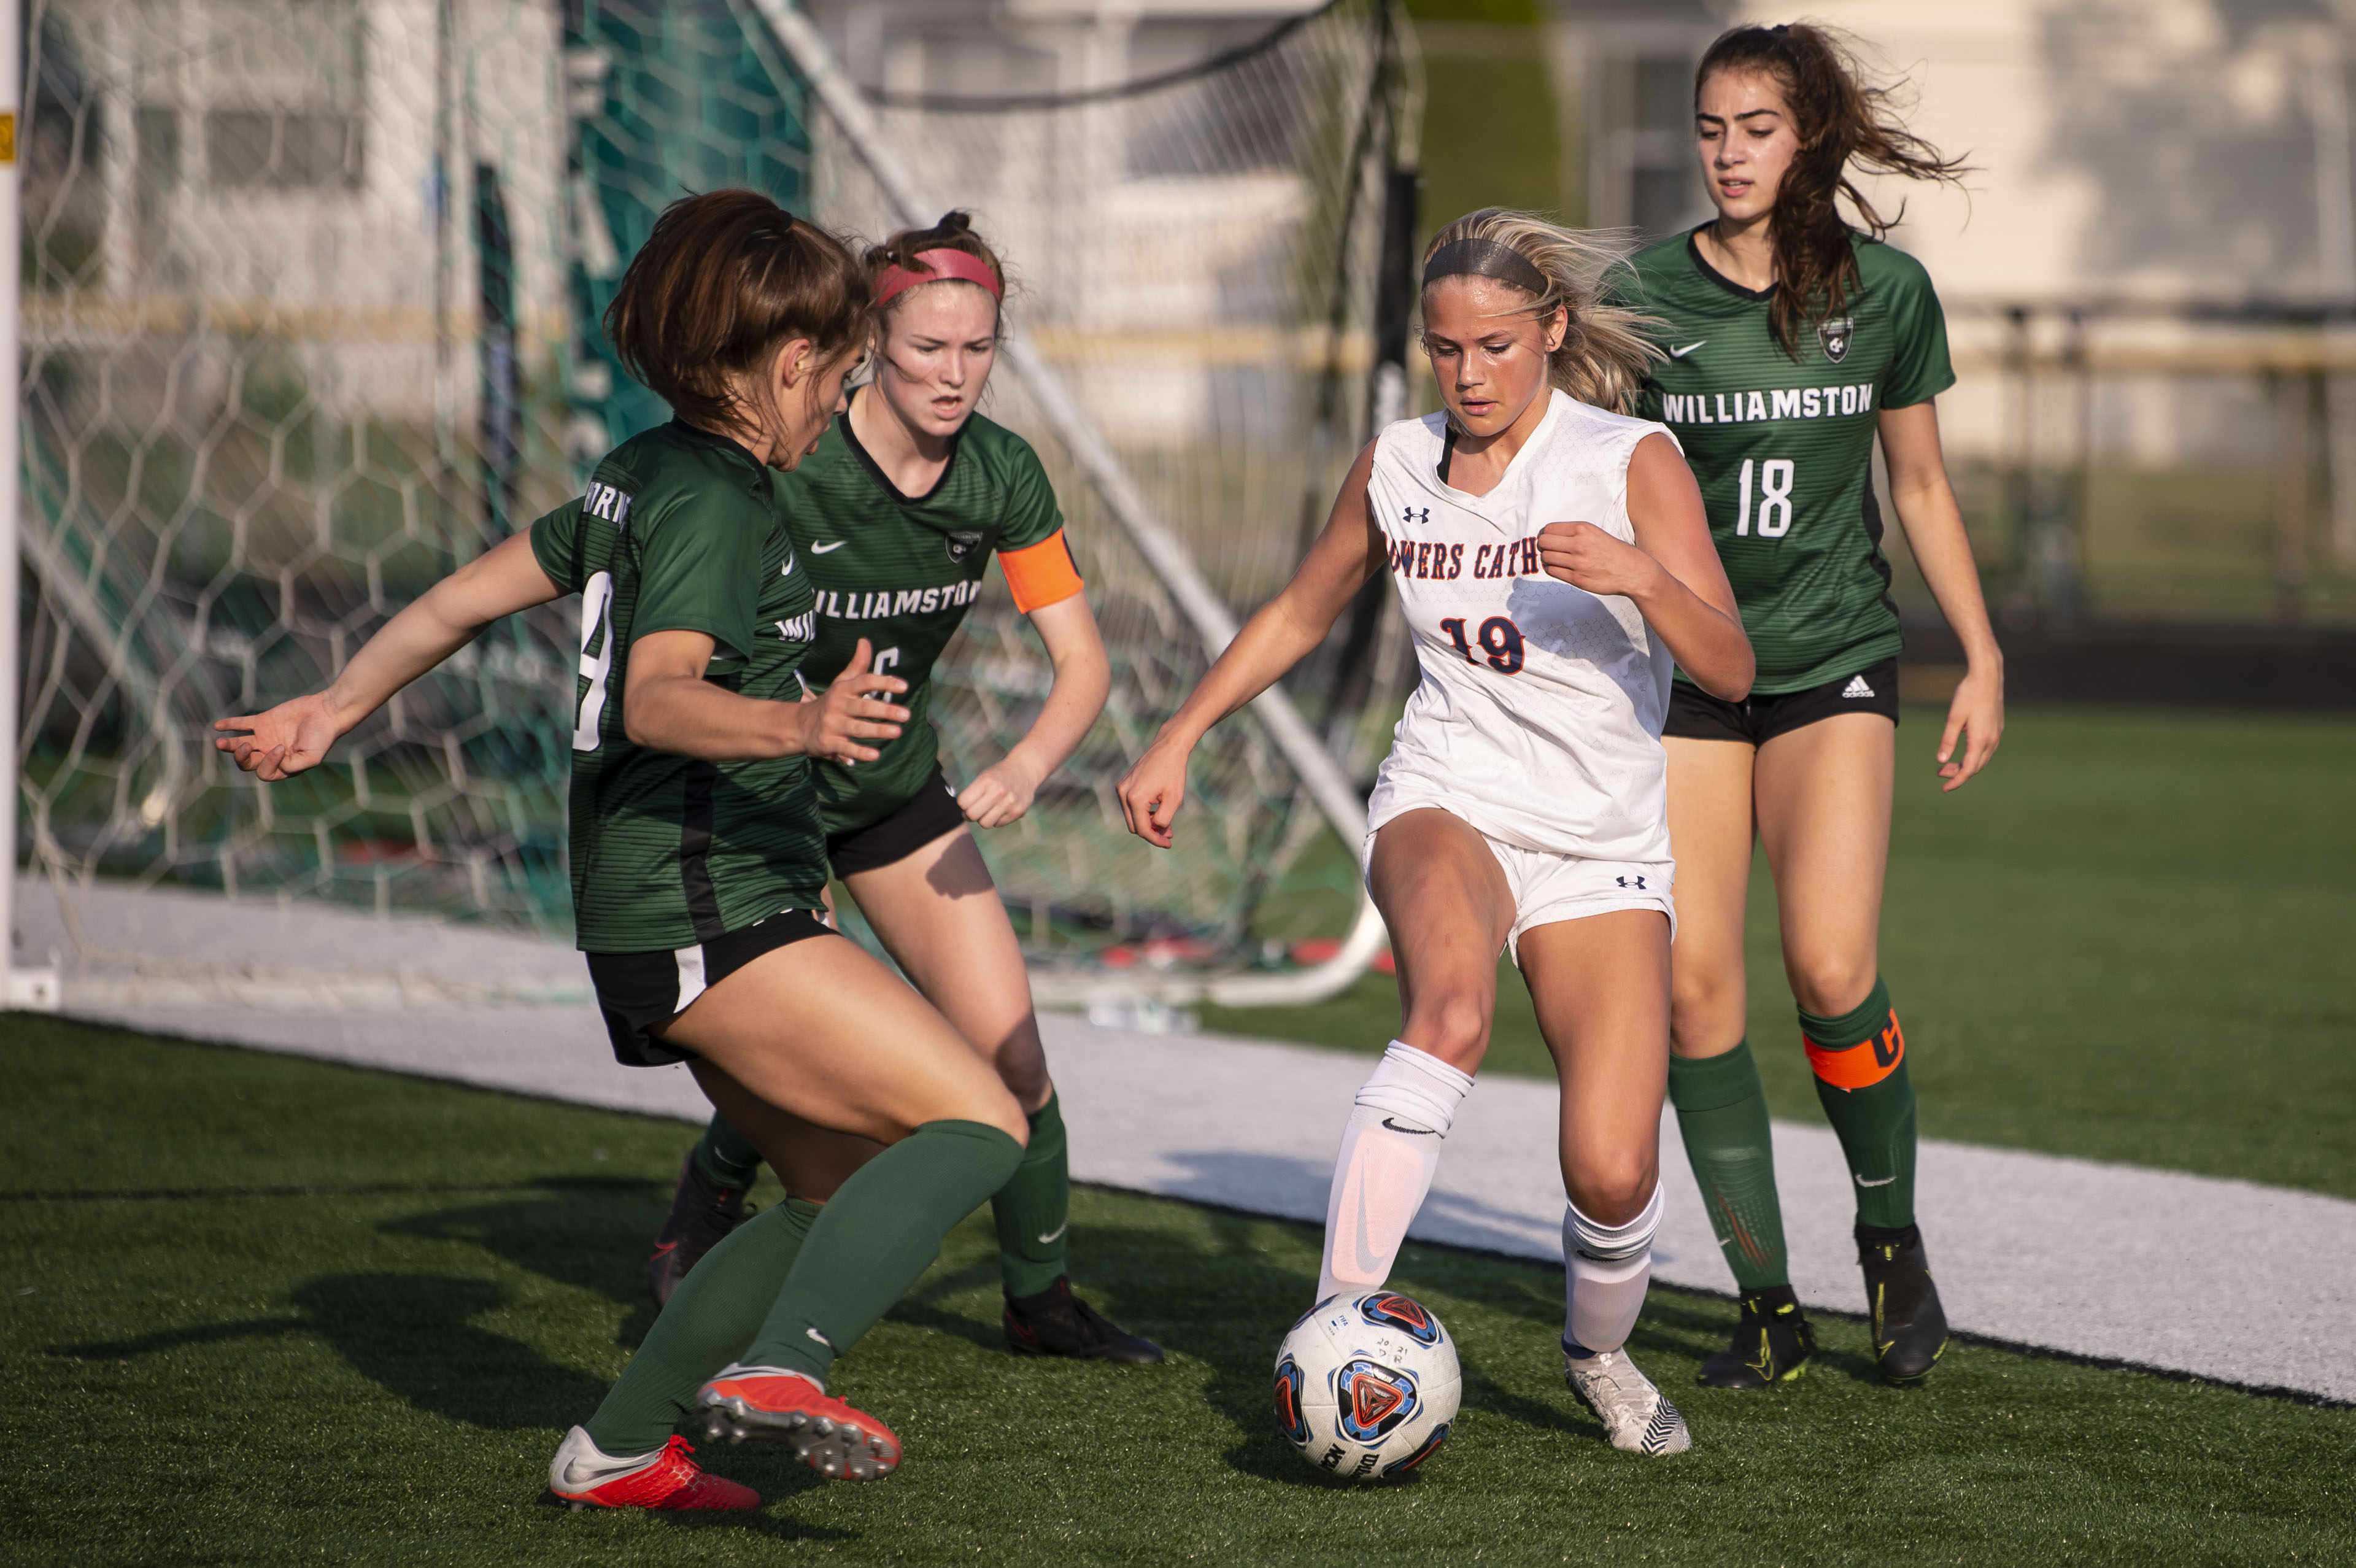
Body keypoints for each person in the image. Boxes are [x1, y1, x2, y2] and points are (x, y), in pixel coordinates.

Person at [215, 190, 1031, 1509]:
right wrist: (803, 720)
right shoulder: (717, 501)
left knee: (838, 1178)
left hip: (671, 898)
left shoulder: (643, 471)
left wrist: (335, 704)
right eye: (840, 371)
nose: (847, 397)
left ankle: (617, 1448)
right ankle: (783, 1374)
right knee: (978, 1119)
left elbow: (461, 596)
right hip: (704, 896)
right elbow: (657, 696)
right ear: (780, 367)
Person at [1117, 208, 1753, 1456]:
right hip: (1447, 792)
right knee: (1448, 1012)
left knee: (1615, 1171)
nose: (1468, 374)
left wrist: (1641, 577)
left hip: (1599, 837)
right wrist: (1180, 733)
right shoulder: (1396, 461)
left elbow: (1730, 663)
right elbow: (1303, 609)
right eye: (1447, 348)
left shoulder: (1628, 461)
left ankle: (1599, 1355)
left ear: (1554, 333)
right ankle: (1336, 1331)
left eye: (1498, 347)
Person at [646, 211, 1160, 1365]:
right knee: (828, 1072)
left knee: (1013, 1054)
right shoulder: (792, 458)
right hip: (759, 805)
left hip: (893, 800)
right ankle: (709, 1202)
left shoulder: (1001, 472)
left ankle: (1043, 1302)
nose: (954, 373)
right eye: (928, 348)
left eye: (977, 349)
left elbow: (1082, 663)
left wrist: (1027, 766)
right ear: (870, 344)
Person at [1624, 22, 2003, 1391]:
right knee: (1692, 988)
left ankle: (1892, 1246)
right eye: (1713, 127)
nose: (1729, 152)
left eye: (1758, 128)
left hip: (1834, 653)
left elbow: (1919, 489)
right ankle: (1765, 1306)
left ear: (1811, 139)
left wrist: (1984, 652)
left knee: (1832, 969)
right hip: (1683, 676)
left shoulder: (1889, 294)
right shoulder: (1641, 297)